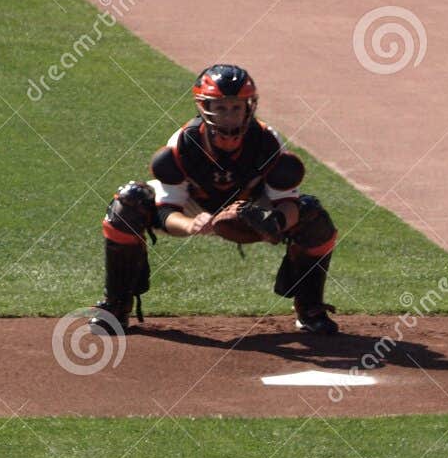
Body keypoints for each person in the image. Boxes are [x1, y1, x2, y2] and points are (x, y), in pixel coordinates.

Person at [95, 63, 341, 337]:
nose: (229, 116)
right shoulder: (184, 144)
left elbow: (289, 203)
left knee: (314, 218)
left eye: (236, 107)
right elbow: (166, 211)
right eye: (221, 107)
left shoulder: (267, 141)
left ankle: (309, 308)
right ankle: (116, 306)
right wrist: (191, 225)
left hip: (252, 208)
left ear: (249, 106)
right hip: (194, 206)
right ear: (204, 107)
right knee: (128, 203)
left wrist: (277, 222)